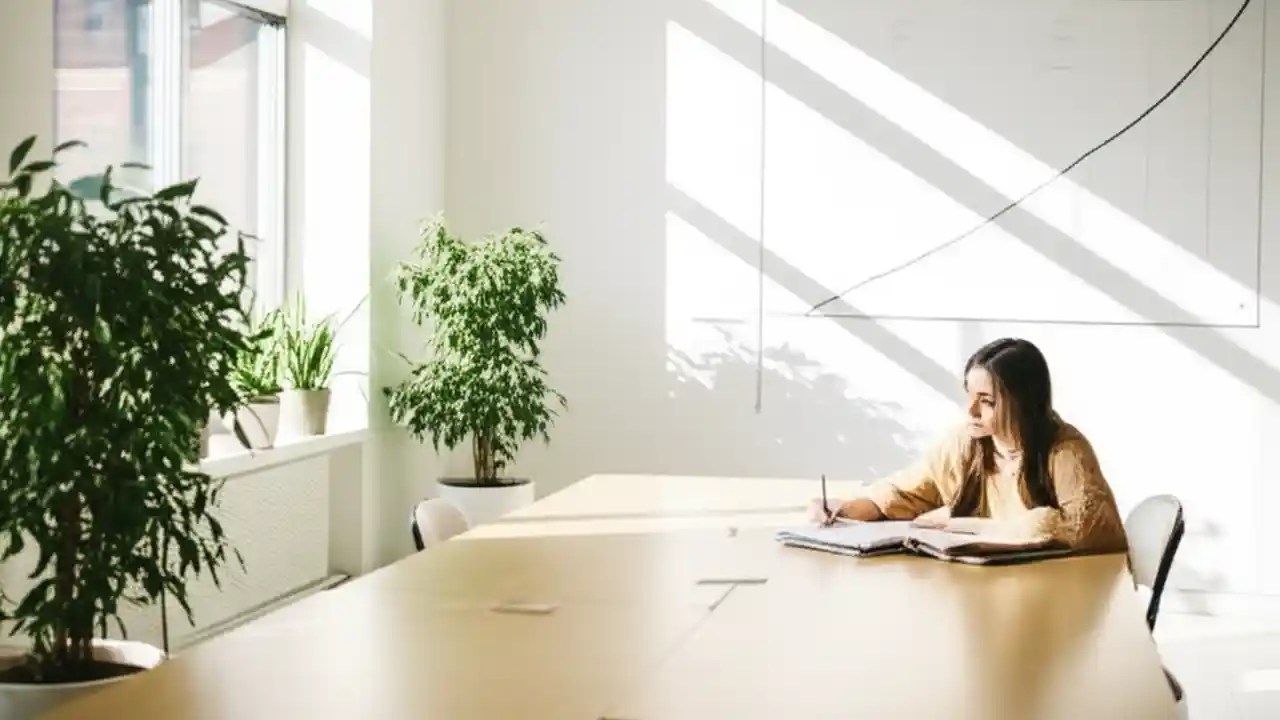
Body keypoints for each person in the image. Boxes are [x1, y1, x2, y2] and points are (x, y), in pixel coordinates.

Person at [811, 337, 1128, 555]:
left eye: (986, 401)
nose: (971, 411)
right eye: (969, 396)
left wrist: (962, 525)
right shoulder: (966, 443)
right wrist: (848, 509)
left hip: (1060, 599)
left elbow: (1090, 530)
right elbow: (907, 491)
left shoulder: (1064, 451)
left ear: (1023, 404)